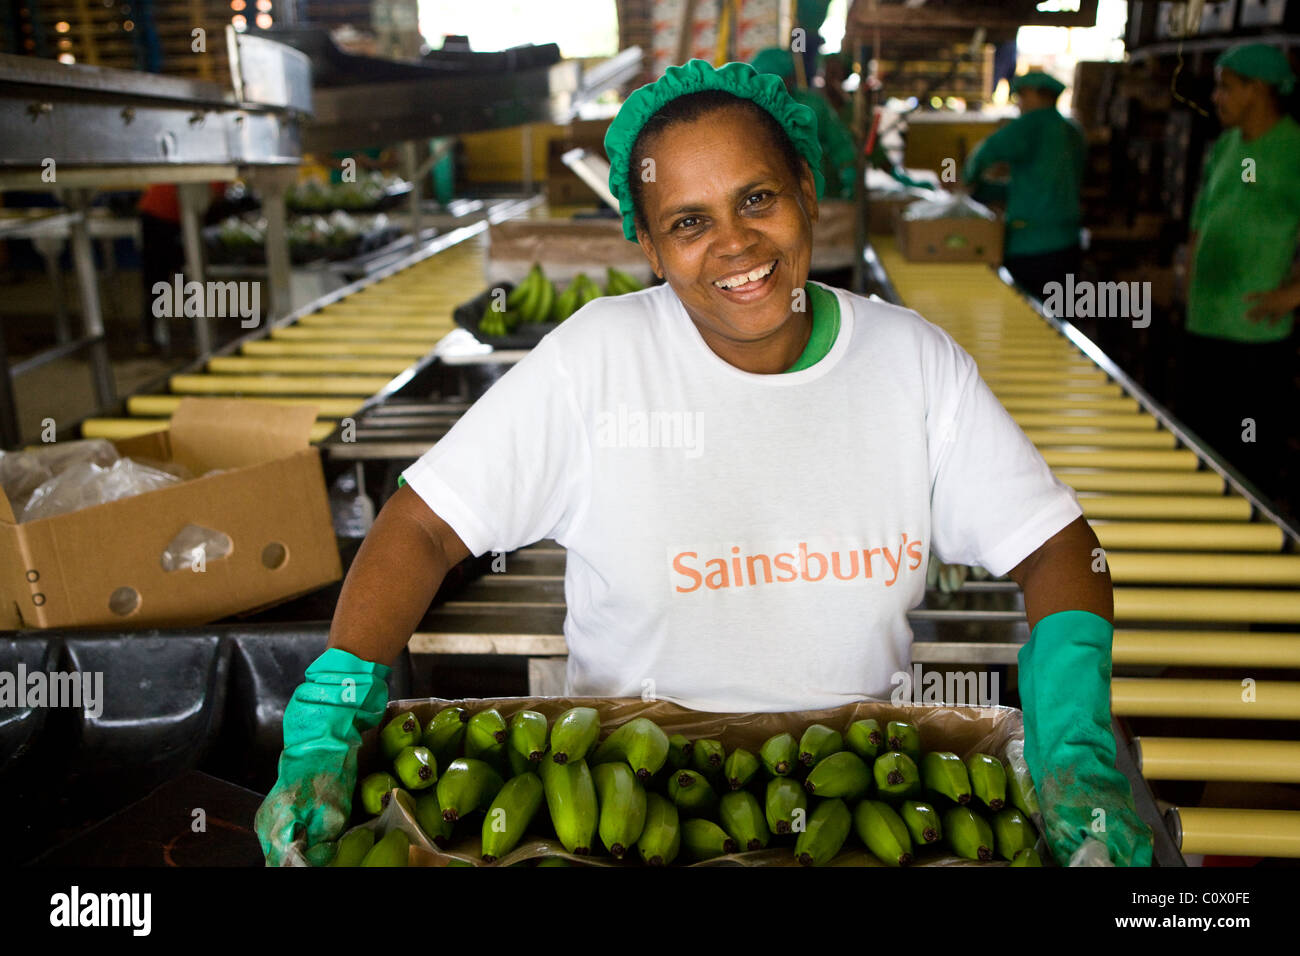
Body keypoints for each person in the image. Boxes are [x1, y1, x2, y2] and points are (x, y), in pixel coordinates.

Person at [254, 58, 1153, 869]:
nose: (735, 244)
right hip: (617, 815)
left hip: (858, 807)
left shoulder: (910, 363)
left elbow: (1059, 546)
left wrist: (1073, 737)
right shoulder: (597, 360)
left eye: (757, 199)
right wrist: (337, 705)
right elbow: (419, 523)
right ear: (648, 247)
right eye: (689, 221)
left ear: (806, 191)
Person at [1178, 43, 1300, 509]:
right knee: (1199, 446)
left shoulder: (1292, 150)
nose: (1216, 96)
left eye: (1226, 87)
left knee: (1248, 451)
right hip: (1204, 325)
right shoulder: (1226, 147)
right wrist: (1190, 283)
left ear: (1259, 89)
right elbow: (1200, 223)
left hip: (1254, 335)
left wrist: (1292, 295)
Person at [962, 71, 1085, 297]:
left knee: (1031, 313)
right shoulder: (1073, 131)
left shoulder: (1029, 126)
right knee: (1059, 318)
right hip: (1069, 242)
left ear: (1037, 95)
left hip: (1031, 245)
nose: (1019, 104)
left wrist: (966, 183)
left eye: (1021, 96)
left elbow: (985, 152)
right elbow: (1046, 182)